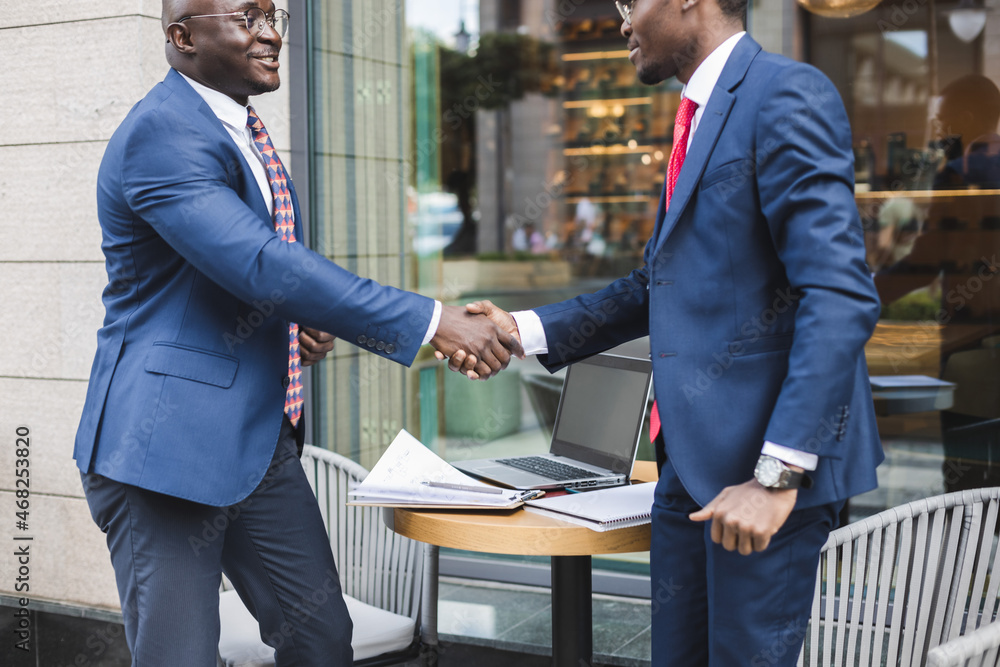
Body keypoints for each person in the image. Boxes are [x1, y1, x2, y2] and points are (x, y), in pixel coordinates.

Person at [74, 2, 520, 665]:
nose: (273, 32)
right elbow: (261, 263)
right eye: (247, 17)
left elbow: (240, 276)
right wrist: (434, 319)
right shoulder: (161, 133)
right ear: (182, 36)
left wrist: (291, 328)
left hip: (258, 445)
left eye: (274, 13)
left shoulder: (243, 129)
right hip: (163, 450)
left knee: (320, 637)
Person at [448, 0, 884, 663]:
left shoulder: (785, 93)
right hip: (686, 470)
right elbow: (655, 285)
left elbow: (840, 292)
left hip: (759, 477)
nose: (621, 20)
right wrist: (519, 328)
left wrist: (776, 476)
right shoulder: (696, 118)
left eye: (630, 1)